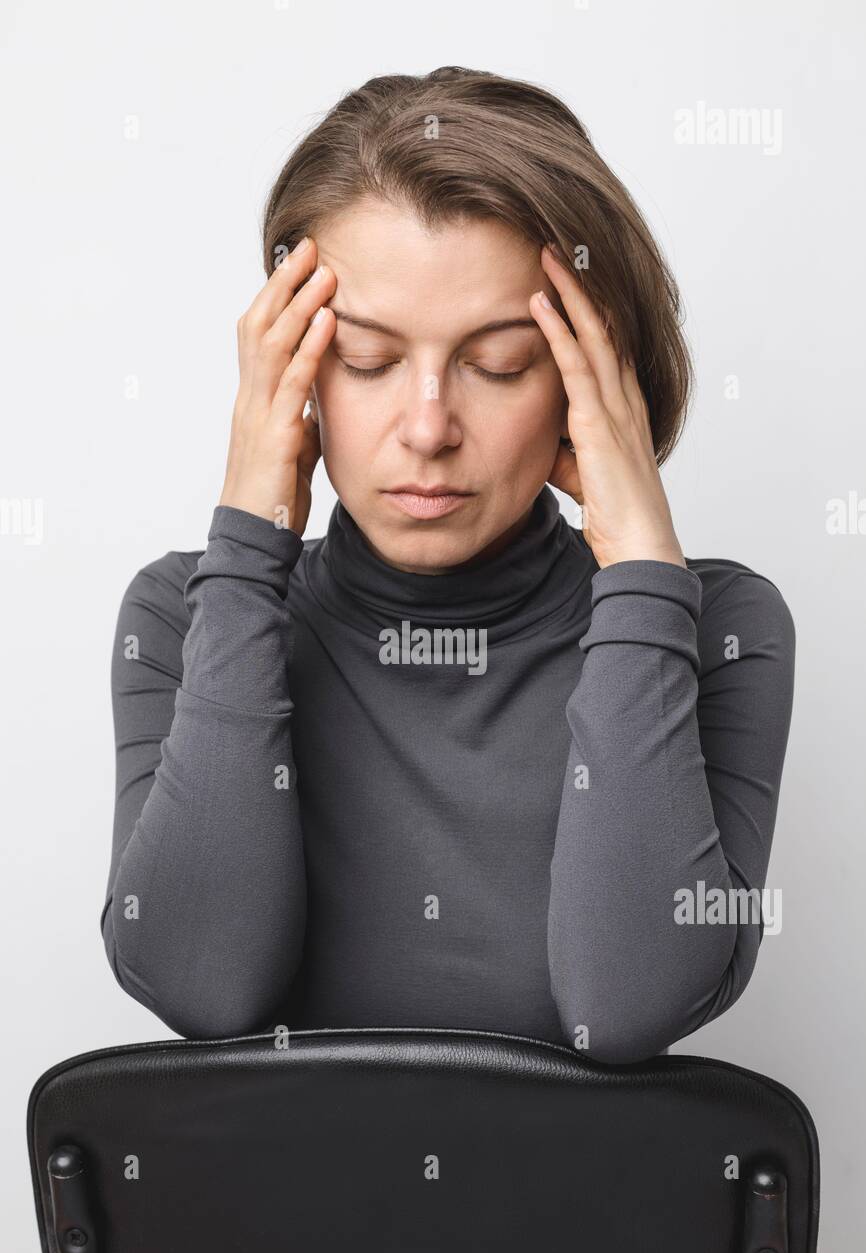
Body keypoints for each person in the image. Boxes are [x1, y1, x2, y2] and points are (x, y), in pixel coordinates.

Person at [100, 67, 795, 1064]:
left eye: (501, 361)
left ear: (584, 383)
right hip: (271, 1222)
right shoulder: (182, 614)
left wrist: (640, 561)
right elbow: (201, 983)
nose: (427, 428)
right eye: (368, 359)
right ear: (292, 373)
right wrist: (245, 538)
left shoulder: (716, 627)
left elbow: (628, 1002)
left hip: (578, 1224)